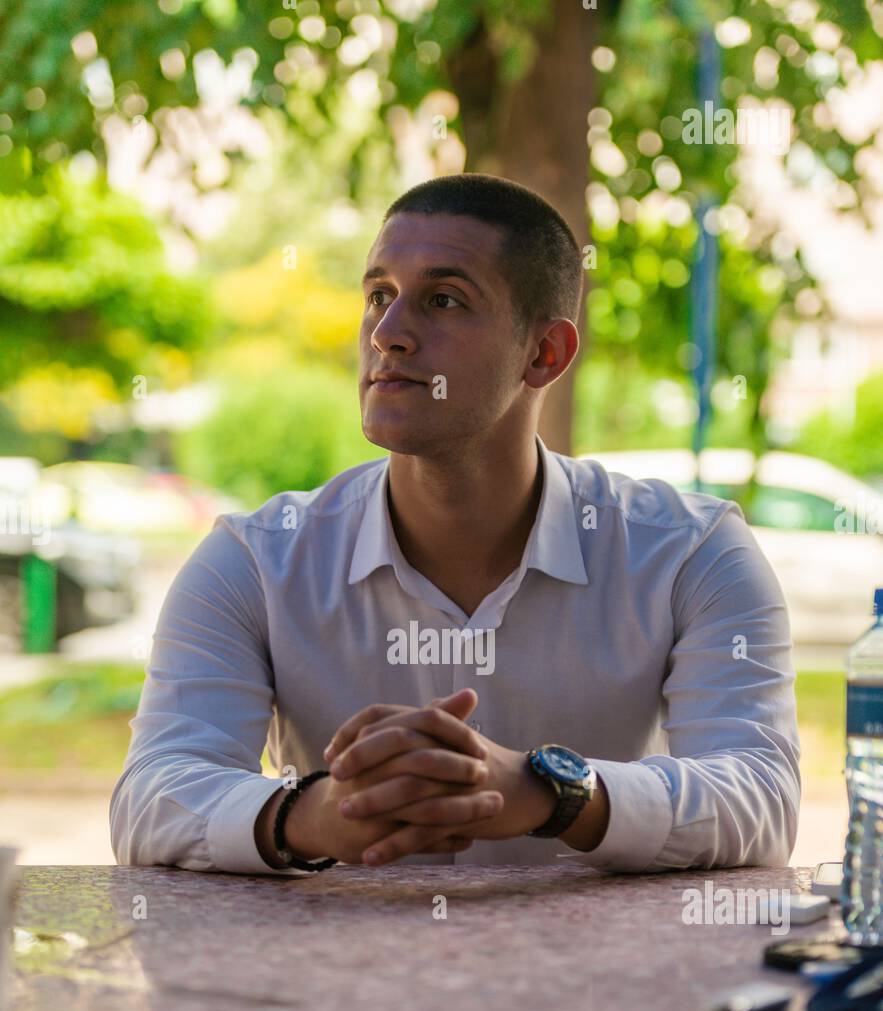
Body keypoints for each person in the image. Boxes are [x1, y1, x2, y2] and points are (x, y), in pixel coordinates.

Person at [110, 172, 800, 878]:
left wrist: (545, 792)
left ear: (545, 354)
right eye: (377, 296)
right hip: (324, 979)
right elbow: (151, 797)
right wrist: (320, 814)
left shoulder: (690, 552)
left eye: (442, 300)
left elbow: (761, 799)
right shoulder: (254, 560)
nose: (386, 334)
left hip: (606, 982)